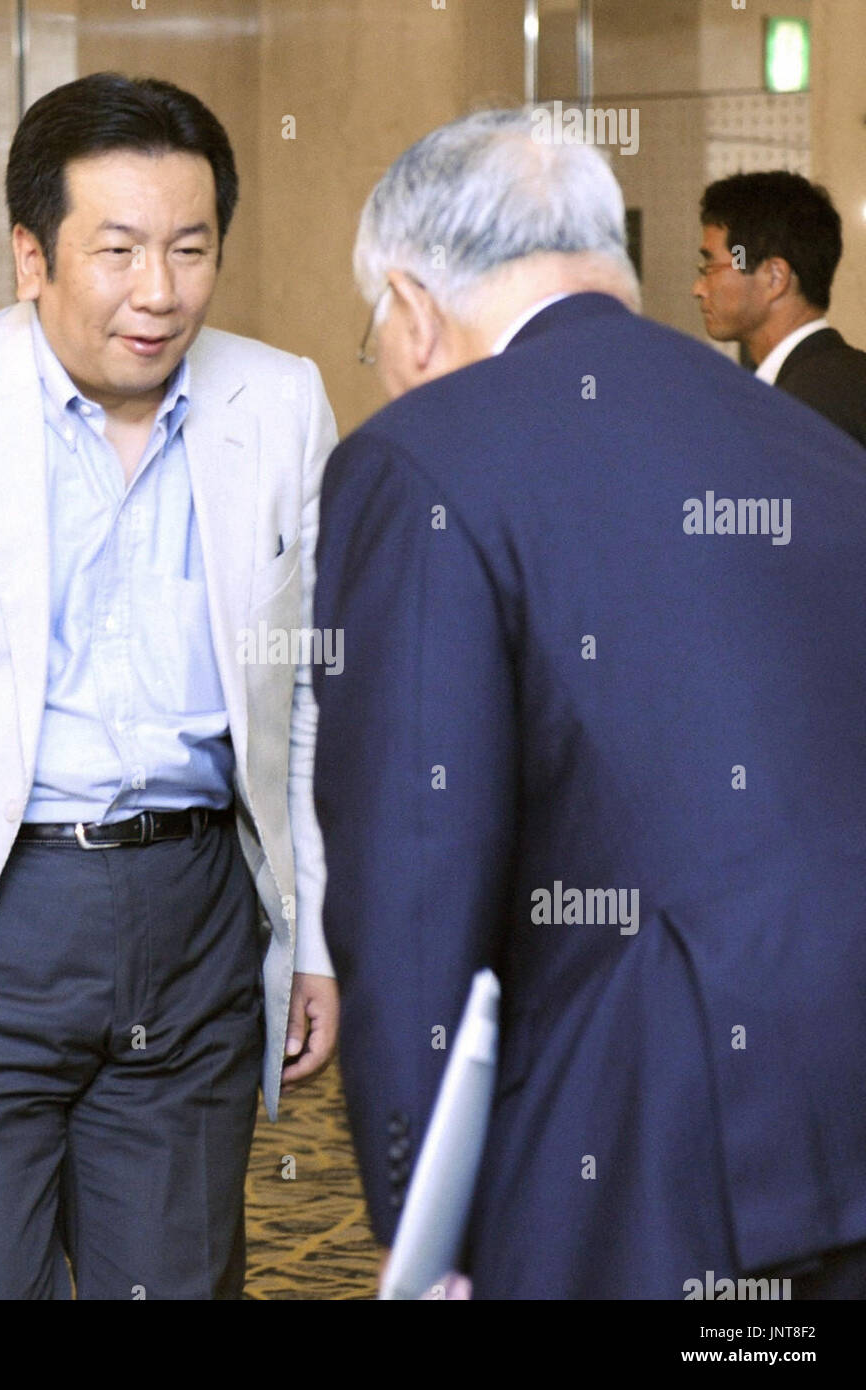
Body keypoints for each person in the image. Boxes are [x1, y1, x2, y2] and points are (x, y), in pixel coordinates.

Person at [0, 71, 340, 1300]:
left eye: (191, 249)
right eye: (121, 250)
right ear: (30, 255)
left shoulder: (282, 400)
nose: (161, 291)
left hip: (201, 913)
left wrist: (316, 936)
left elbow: (312, 699)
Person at [312, 109, 866, 1299]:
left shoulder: (421, 458)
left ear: (410, 307)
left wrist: (426, 1235)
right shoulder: (815, 447)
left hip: (660, 1132)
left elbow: (413, 876)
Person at [695, 170, 866, 448]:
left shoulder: (802, 407)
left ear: (775, 277)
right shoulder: (842, 380)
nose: (698, 289)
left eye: (710, 267)